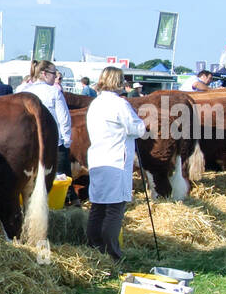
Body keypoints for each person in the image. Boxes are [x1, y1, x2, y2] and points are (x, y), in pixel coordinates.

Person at [85, 66, 149, 263]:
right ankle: (113, 255)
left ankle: (94, 250)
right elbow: (136, 128)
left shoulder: (95, 103)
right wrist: (144, 125)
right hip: (116, 160)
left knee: (98, 208)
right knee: (114, 210)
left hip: (97, 159)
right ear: (118, 82)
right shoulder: (120, 104)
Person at [17, 60, 73, 174]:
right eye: (53, 73)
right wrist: (66, 141)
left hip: (31, 144)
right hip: (53, 143)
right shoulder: (54, 92)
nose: (55, 76)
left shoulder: (25, 92)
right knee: (61, 178)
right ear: (44, 74)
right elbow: (64, 118)